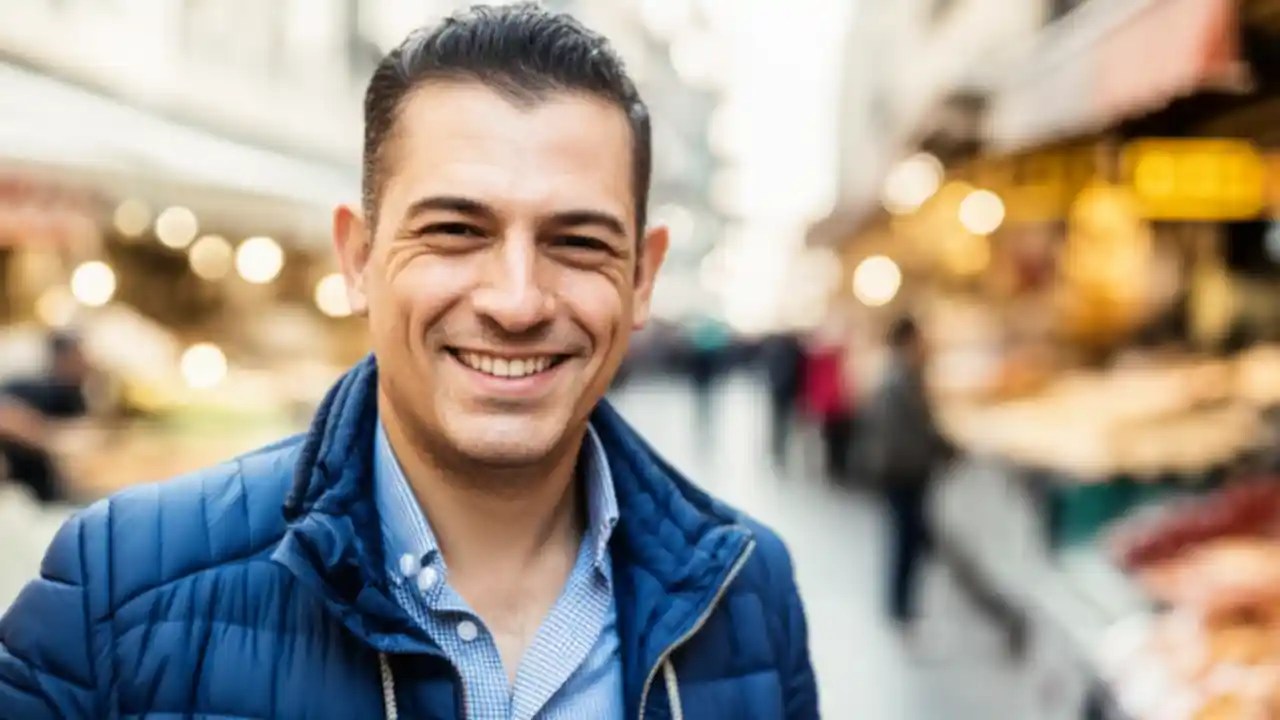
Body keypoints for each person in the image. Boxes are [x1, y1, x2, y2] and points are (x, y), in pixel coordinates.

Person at [0, 6, 818, 719]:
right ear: (358, 259)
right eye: (457, 231)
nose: (518, 300)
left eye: (576, 242)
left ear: (642, 276)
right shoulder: (117, 588)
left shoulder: (749, 592)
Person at [869, 316, 954, 631]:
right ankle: (901, 607)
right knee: (907, 539)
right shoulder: (901, 379)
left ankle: (901, 606)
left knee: (907, 539)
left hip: (903, 470)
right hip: (904, 472)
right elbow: (915, 430)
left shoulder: (898, 376)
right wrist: (942, 451)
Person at [0, 332, 92, 503]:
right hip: (26, 492)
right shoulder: (34, 387)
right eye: (78, 356)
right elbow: (5, 416)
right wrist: (47, 437)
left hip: (54, 490)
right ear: (60, 359)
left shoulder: (76, 395)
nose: (86, 362)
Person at [760, 330, 805, 466]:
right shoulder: (795, 353)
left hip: (780, 391)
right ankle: (779, 447)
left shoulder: (776, 351)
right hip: (787, 392)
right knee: (783, 421)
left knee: (779, 421)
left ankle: (778, 447)